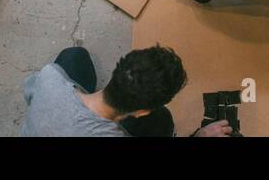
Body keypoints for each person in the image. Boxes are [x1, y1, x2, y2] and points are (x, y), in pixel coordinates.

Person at [21, 45, 230, 136]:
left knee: (73, 56)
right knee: (161, 121)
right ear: (141, 112)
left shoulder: (50, 77)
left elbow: (30, 93)